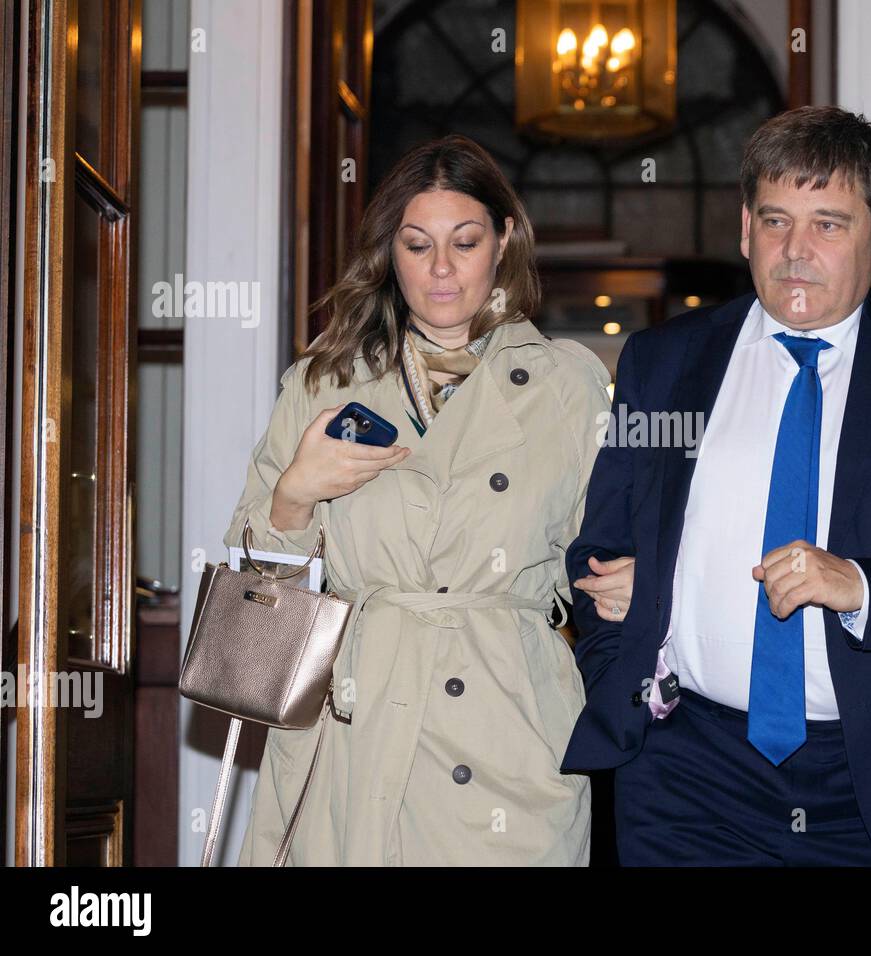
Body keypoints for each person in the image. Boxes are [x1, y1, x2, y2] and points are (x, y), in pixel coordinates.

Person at [560, 106, 871, 866]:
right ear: (745, 228)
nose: (796, 251)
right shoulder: (663, 362)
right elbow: (599, 555)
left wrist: (858, 584)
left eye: (829, 224)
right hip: (687, 776)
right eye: (777, 221)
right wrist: (632, 664)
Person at [225, 134, 615, 865]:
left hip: (511, 731)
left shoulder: (568, 385)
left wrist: (621, 581)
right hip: (357, 726)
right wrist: (293, 498)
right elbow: (254, 599)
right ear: (388, 253)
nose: (441, 268)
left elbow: (599, 563)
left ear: (503, 242)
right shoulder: (324, 381)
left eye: (464, 242)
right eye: (416, 244)